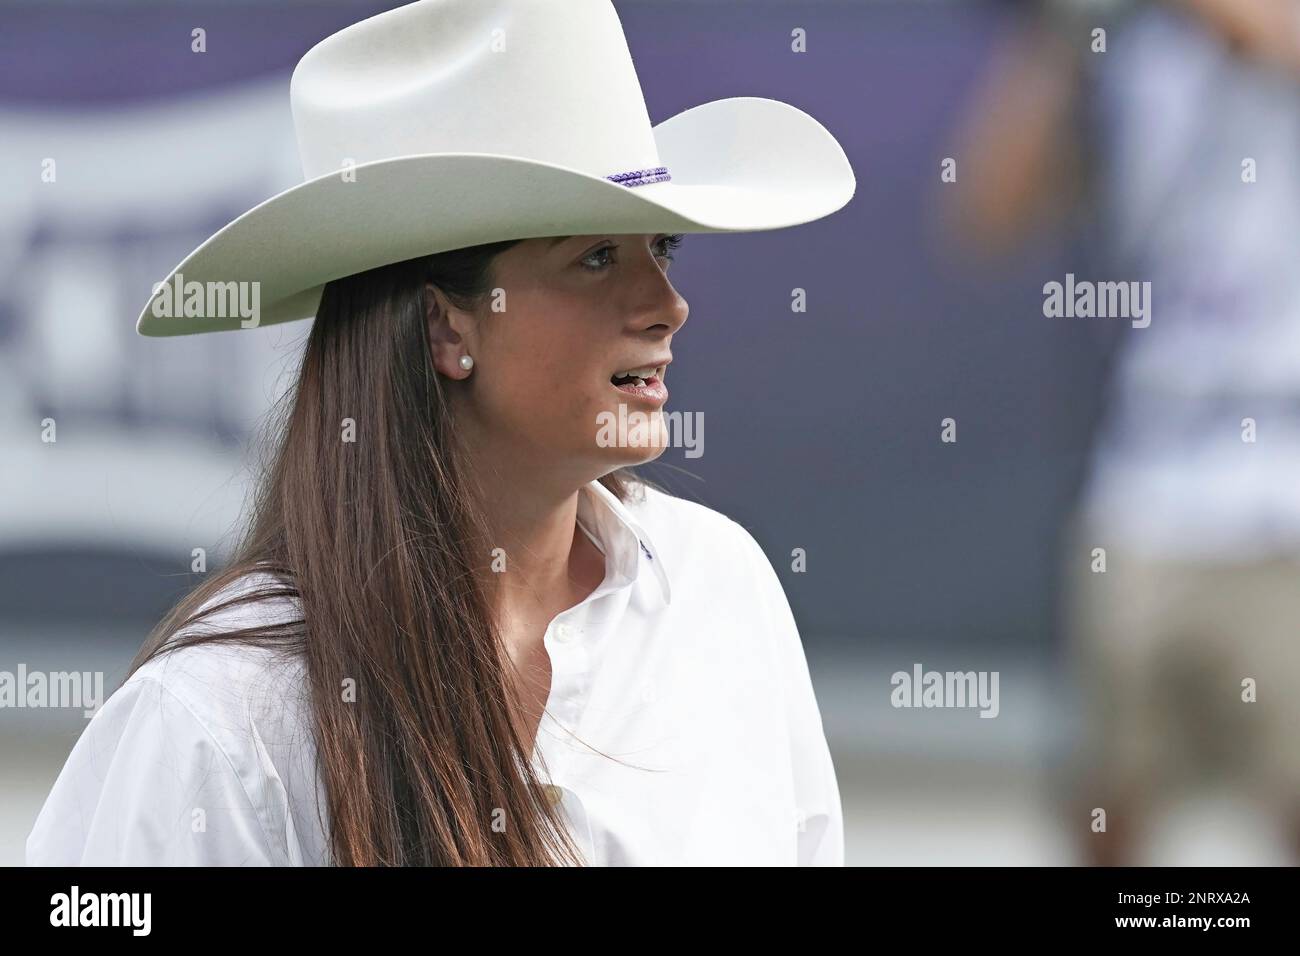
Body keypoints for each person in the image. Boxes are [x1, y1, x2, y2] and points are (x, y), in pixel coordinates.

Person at [24, 0, 855, 866]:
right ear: (445, 330)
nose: (667, 306)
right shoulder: (221, 720)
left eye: (662, 250)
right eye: (597, 258)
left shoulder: (720, 593)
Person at [948, 0, 1300, 864]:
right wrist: (1059, 37)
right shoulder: (1132, 55)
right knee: (1111, 801)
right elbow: (983, 215)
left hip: (1286, 478)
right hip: (1151, 477)